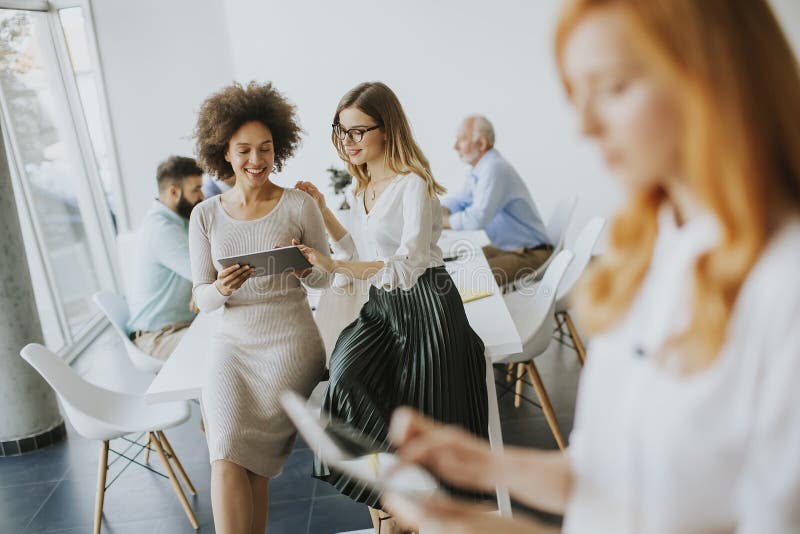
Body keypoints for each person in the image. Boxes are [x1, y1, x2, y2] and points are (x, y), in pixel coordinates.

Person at [380, 0, 800, 532]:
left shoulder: (784, 288)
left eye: (614, 87)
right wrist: (484, 465)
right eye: (578, 95)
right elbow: (610, 475)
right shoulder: (653, 252)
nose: (584, 125)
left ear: (713, 77)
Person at [294, 81, 490, 533]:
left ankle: (397, 518)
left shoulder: (412, 185)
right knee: (342, 380)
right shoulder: (360, 189)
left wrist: (336, 264)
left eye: (358, 131)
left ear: (387, 130)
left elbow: (406, 266)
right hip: (383, 309)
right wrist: (324, 212)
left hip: (427, 307)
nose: (348, 141)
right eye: (341, 131)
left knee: (420, 397)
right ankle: (398, 502)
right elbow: (355, 248)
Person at [189, 82, 330, 533]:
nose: (256, 160)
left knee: (253, 462)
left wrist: (306, 267)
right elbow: (201, 297)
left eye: (265, 149)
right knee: (227, 449)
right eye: (244, 150)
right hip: (232, 344)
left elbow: (327, 276)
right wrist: (222, 288)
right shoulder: (205, 216)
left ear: (278, 150)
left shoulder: (299, 204)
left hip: (290, 341)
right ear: (224, 153)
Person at [442, 115, 551, 287]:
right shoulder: (478, 170)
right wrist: (438, 210)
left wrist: (442, 221)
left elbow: (476, 219)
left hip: (531, 253)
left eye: (462, 139)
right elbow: (459, 200)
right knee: (456, 266)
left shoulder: (494, 169)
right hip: (508, 248)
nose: (455, 147)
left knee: (470, 280)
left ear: (482, 143)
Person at [126, 155, 204, 359]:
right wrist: (202, 284)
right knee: (228, 345)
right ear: (173, 192)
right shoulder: (161, 229)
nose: (202, 195)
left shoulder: (181, 221)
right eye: (195, 189)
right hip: (157, 337)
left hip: (180, 327)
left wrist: (201, 285)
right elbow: (206, 273)